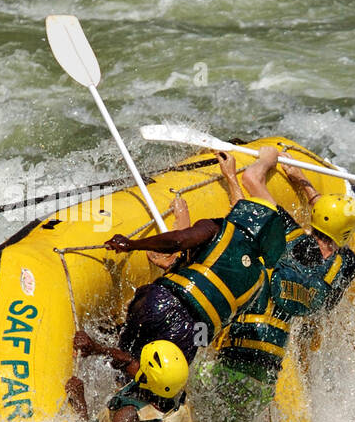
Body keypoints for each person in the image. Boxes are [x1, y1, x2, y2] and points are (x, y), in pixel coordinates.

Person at [204, 166, 355, 422]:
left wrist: (232, 174)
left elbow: (248, 196)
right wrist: (309, 189)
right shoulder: (343, 265)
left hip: (230, 363)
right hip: (264, 382)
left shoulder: (286, 237)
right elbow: (334, 245)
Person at [105, 146, 287, 364]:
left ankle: (106, 346)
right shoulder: (257, 282)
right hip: (192, 334)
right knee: (149, 375)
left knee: (125, 351)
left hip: (162, 303)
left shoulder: (218, 229)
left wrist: (132, 244)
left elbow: (178, 241)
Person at [65, 334, 193, 422]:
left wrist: (79, 400)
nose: (137, 365)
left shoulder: (129, 417)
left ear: (143, 379)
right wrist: (95, 348)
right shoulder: (169, 389)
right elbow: (129, 361)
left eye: (142, 367)